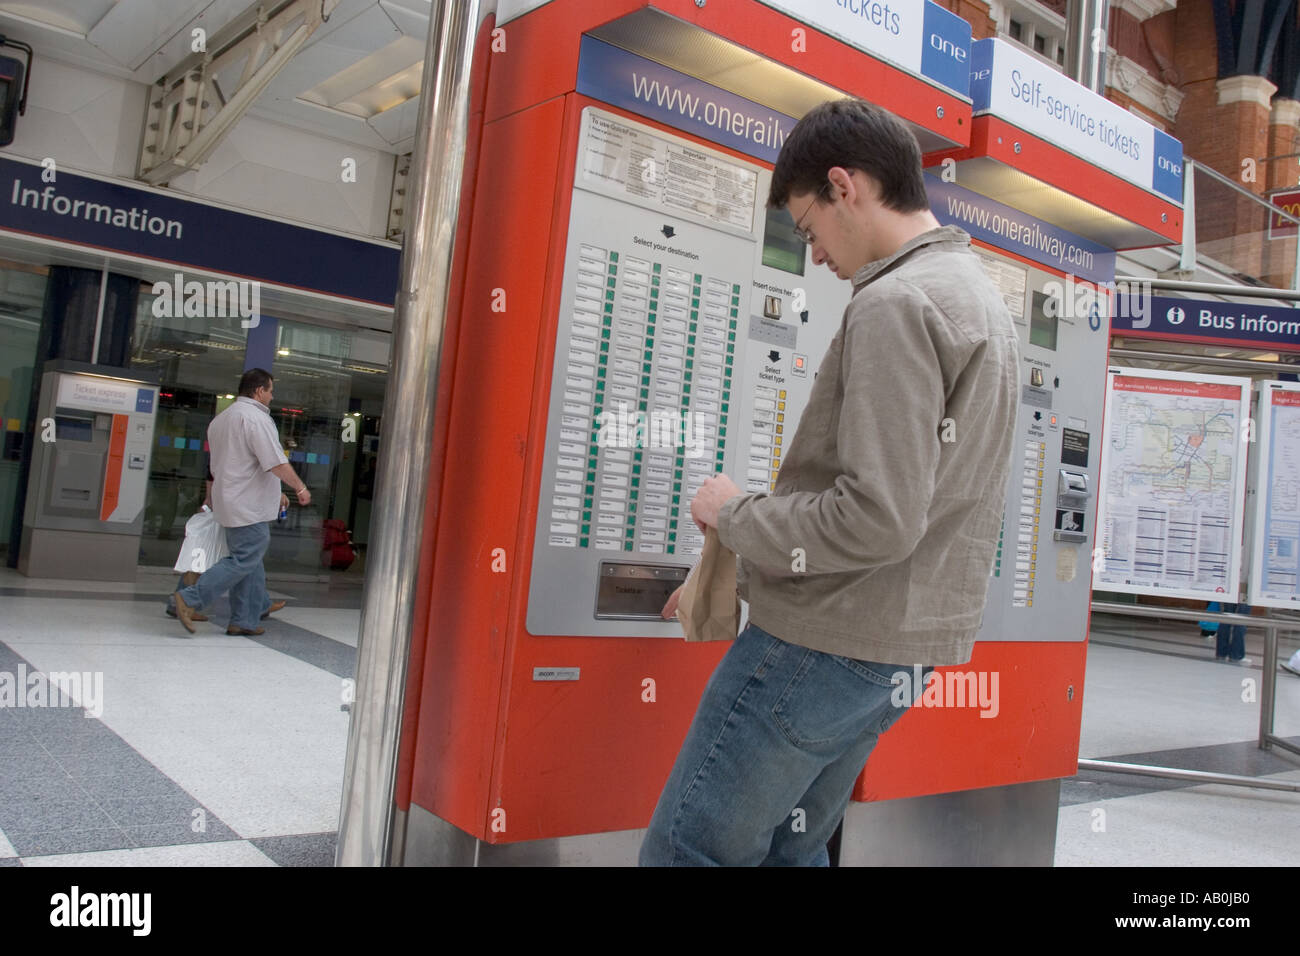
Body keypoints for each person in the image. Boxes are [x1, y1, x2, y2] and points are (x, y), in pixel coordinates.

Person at [638, 98, 1020, 866]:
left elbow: (876, 517)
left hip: (819, 646)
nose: (813, 254)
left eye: (808, 226)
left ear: (844, 186)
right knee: (792, 849)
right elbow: (922, 502)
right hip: (895, 652)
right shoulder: (978, 297)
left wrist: (735, 515)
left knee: (689, 851)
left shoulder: (895, 302)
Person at [173, 368, 309, 636]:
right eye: (270, 390)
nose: (272, 396)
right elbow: (274, 461)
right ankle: (190, 598)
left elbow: (229, 465)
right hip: (248, 505)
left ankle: (245, 619)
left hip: (231, 500)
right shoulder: (256, 419)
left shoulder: (221, 420)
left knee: (250, 558)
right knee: (244, 558)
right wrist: (299, 487)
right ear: (259, 391)